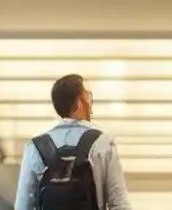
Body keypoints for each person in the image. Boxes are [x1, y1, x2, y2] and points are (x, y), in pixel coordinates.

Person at [14, 74, 132, 210]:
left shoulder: (35, 147)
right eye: (88, 95)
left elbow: (23, 206)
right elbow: (119, 204)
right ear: (80, 102)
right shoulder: (103, 143)